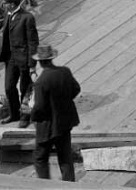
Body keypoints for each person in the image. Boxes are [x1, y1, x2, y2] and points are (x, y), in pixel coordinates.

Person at [29, 45, 81, 182]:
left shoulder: (40, 82)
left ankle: (45, 185)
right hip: (64, 122)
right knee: (65, 158)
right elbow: (76, 89)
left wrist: (31, 114)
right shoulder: (65, 72)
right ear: (52, 58)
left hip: (46, 127)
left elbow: (39, 107)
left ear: (40, 62)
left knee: (40, 158)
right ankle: (69, 185)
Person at [0, 0, 39, 126]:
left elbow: (33, 43)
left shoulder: (27, 18)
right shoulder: (8, 16)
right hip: (11, 59)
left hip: (23, 60)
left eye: (5, 2)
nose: (3, 4)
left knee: (25, 89)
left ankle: (24, 117)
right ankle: (14, 114)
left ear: (11, 4)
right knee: (9, 87)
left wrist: (32, 66)